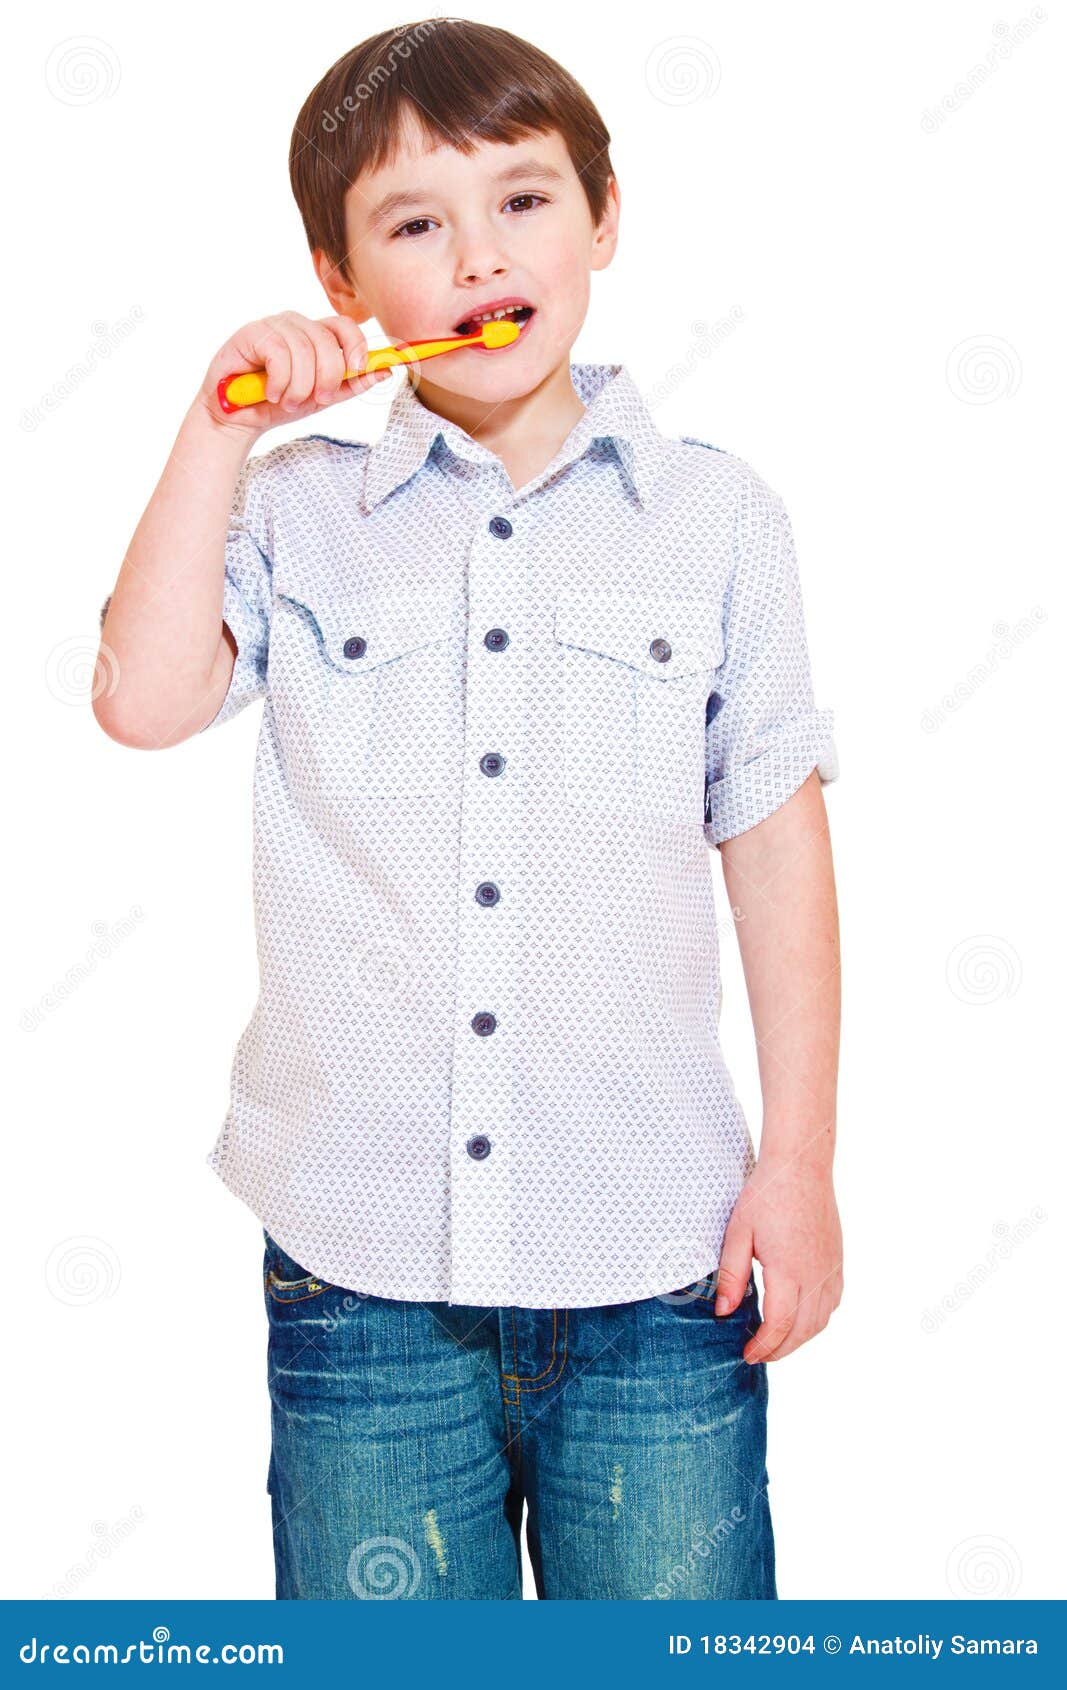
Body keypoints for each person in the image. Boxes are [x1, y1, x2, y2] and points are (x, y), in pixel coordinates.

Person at [93, 18, 842, 1601]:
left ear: (605, 221)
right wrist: (218, 429)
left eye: (524, 201)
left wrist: (803, 1162)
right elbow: (142, 700)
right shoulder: (292, 510)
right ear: (343, 281)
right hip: (360, 1276)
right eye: (414, 224)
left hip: (658, 1265)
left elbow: (774, 843)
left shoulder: (718, 518)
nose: (479, 253)